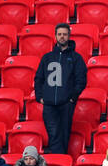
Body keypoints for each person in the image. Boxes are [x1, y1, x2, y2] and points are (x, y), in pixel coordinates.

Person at [34, 23, 87, 155]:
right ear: (55, 36)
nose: (62, 37)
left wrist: (72, 98)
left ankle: (60, 163)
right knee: (53, 133)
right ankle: (60, 160)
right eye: (59, 34)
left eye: (64, 34)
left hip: (66, 103)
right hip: (49, 103)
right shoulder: (47, 57)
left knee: (64, 133)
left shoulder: (76, 58)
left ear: (69, 36)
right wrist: (39, 97)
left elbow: (81, 80)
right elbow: (39, 78)